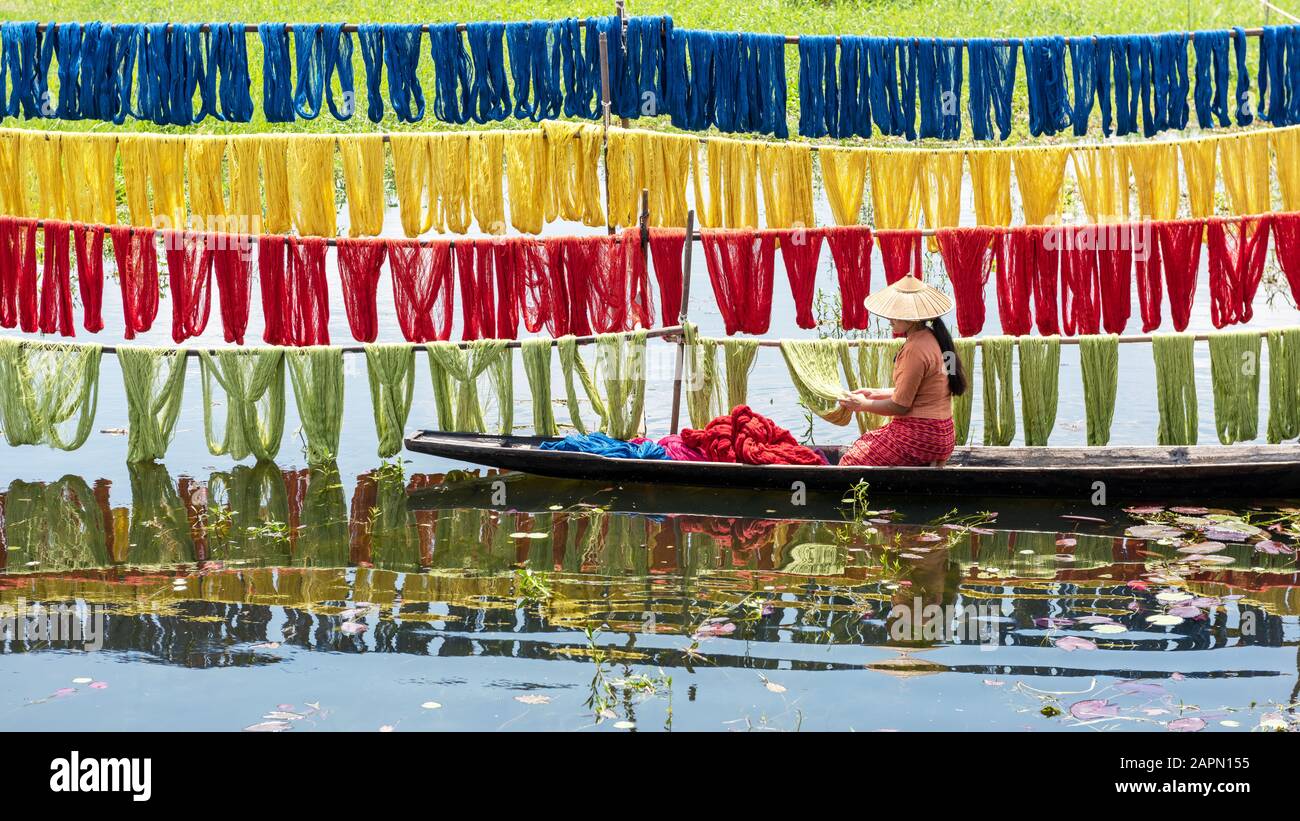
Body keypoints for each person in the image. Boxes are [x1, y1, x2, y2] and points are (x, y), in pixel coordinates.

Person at [836, 276, 967, 467]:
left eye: (896, 314)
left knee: (850, 461)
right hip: (943, 435)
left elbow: (900, 406)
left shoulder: (914, 349)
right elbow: (921, 391)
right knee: (864, 443)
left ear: (912, 319)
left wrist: (861, 404)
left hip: (921, 437)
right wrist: (875, 393)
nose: (890, 319)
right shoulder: (934, 338)